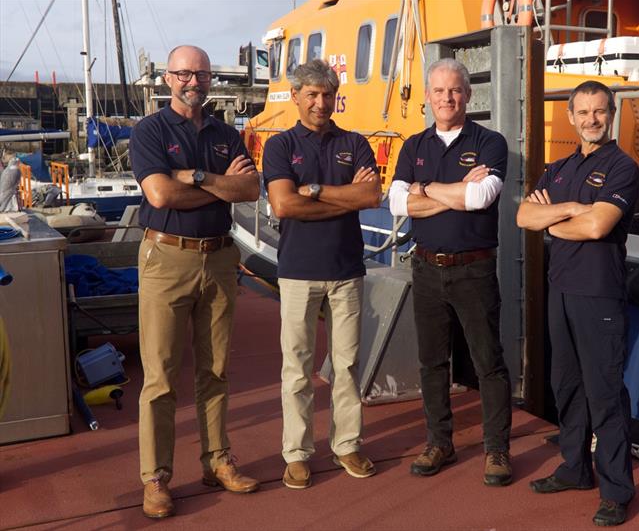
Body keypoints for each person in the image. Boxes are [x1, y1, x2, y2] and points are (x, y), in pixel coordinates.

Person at [129, 45, 261, 519]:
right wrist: (214, 181)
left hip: (220, 258)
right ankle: (156, 478)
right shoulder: (149, 131)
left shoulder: (228, 133)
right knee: (161, 376)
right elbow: (160, 193)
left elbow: (249, 189)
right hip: (167, 258)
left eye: (202, 74)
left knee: (216, 370)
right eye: (185, 74)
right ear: (168, 79)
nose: (194, 82)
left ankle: (217, 460)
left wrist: (194, 176)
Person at [516, 80, 639, 526]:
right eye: (583, 112)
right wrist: (572, 210)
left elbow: (597, 228)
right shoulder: (560, 167)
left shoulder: (622, 167)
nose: (591, 119)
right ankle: (574, 468)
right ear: (571, 117)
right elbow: (523, 216)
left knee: (604, 394)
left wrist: (554, 222)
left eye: (599, 111)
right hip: (561, 290)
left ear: (612, 113)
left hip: (599, 293)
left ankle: (615, 490)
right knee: (566, 386)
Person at [388, 58, 513, 486]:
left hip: (474, 268)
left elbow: (481, 198)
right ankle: (439, 441)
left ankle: (497, 449)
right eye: (439, 91)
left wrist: (425, 189)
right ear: (428, 96)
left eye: (455, 90)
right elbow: (397, 203)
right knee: (431, 362)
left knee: (488, 362)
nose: (447, 98)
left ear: (468, 95)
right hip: (426, 266)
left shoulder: (492, 142)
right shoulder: (415, 146)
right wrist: (455, 191)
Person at [262, 59, 381, 490]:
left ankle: (347, 443)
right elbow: (283, 206)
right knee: (296, 367)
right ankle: (296, 452)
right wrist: (345, 198)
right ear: (295, 96)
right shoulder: (279, 147)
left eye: (327, 95)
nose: (320, 102)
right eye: (311, 94)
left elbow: (371, 195)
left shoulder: (354, 142)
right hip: (297, 272)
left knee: (347, 365)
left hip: (346, 269)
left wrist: (314, 190)